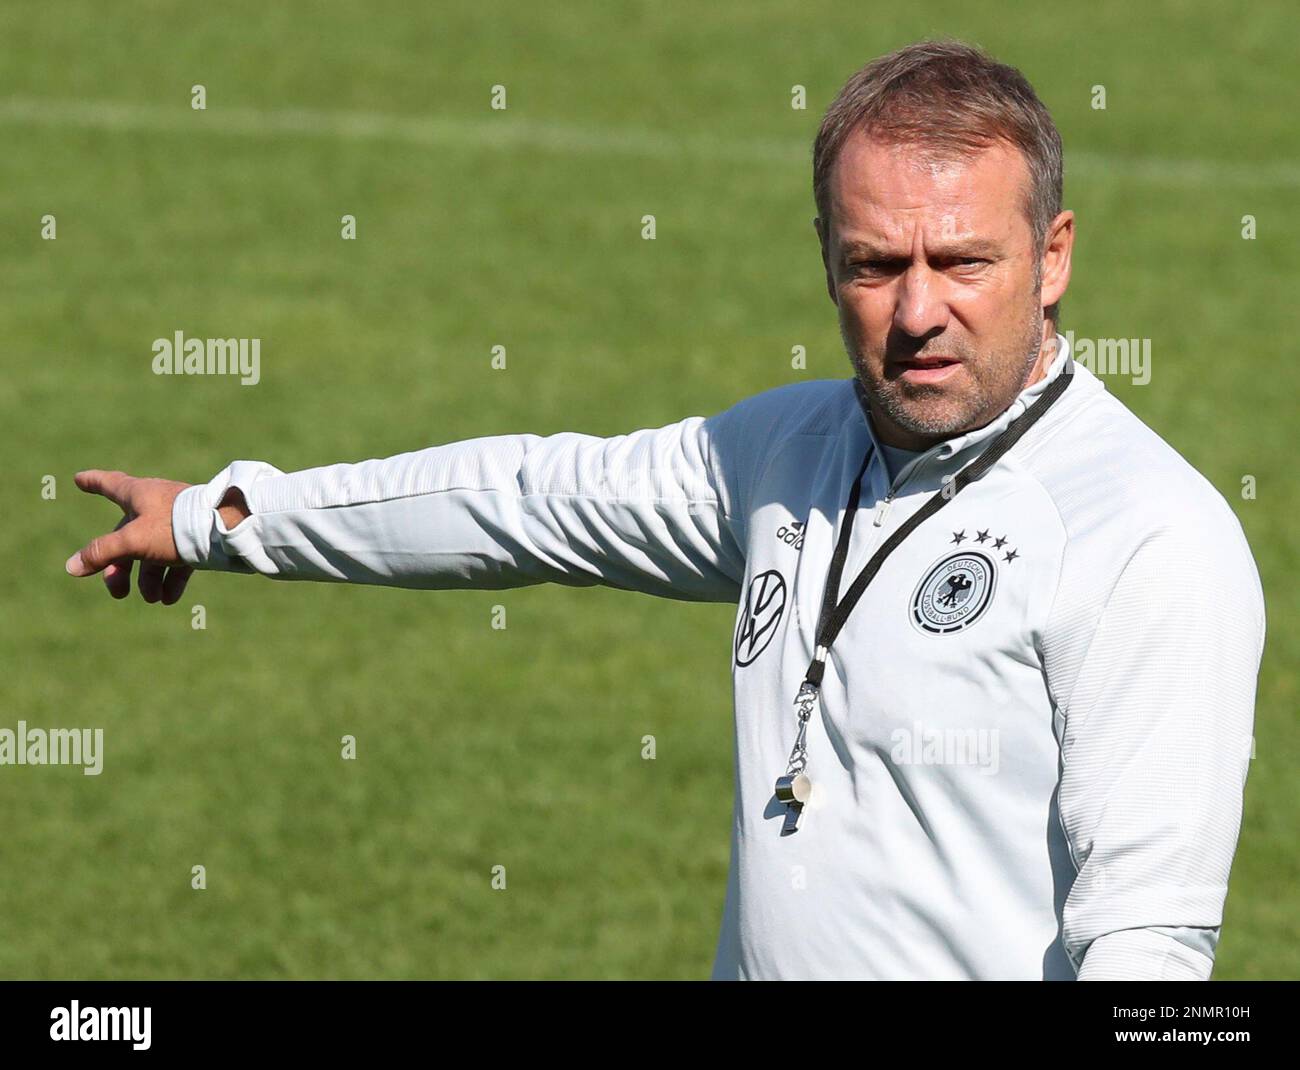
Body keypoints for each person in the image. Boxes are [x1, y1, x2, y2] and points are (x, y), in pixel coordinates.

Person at [65, 39, 1265, 980]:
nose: (914, 313)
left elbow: (1150, 945)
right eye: (872, 264)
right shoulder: (789, 452)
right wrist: (227, 516)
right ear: (823, 255)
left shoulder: (1146, 539)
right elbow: (529, 499)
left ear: (1052, 257)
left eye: (960, 262)